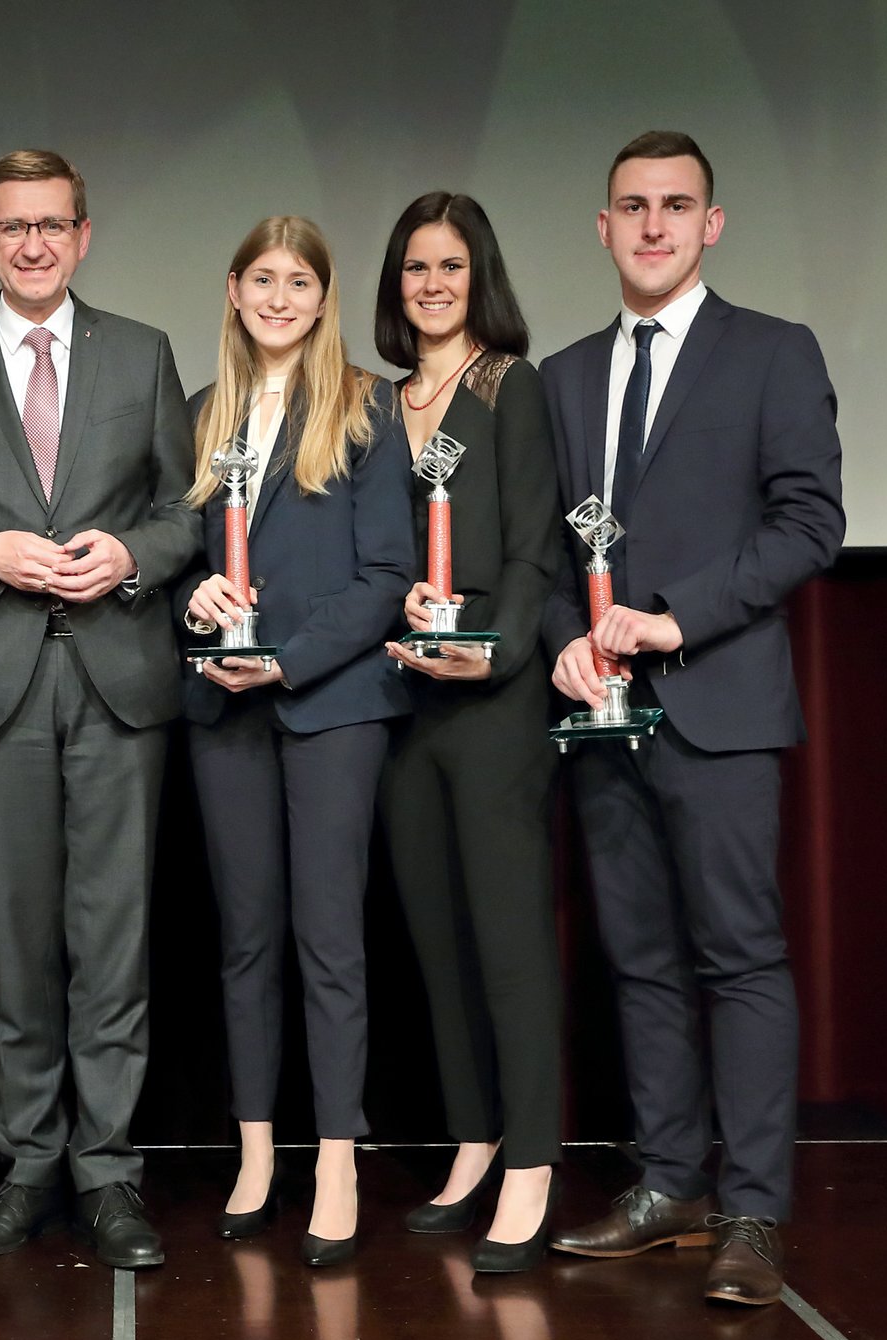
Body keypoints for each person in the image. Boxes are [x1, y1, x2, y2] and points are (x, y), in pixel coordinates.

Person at [539, 132, 844, 1306]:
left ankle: (751, 1211)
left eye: (675, 206)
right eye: (631, 206)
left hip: (716, 702)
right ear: (602, 227)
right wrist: (565, 633)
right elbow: (547, 551)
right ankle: (668, 1184)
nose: (653, 225)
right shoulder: (563, 377)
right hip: (598, 722)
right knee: (640, 962)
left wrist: (673, 621)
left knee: (739, 959)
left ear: (709, 223)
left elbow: (809, 521)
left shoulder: (771, 353)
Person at [0, 149, 199, 1270]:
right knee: (19, 946)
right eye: (10, 226)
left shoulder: (142, 352)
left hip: (119, 678)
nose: (31, 243)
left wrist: (128, 555)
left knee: (111, 943)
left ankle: (109, 1170)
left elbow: (182, 509)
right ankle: (28, 1163)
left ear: (82, 234)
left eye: (50, 225)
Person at [175, 216, 412, 1267]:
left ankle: (334, 1158)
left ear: (323, 297)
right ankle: (257, 1151)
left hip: (330, 704)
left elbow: (384, 577)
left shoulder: (364, 408)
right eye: (261, 279)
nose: (279, 297)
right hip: (223, 710)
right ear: (232, 289)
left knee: (328, 940)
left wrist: (288, 658)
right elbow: (175, 560)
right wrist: (194, 597)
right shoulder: (195, 414)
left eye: (299, 281)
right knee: (244, 940)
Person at [374, 191, 565, 1273]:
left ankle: (530, 1158)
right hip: (405, 699)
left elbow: (535, 541)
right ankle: (471, 1140)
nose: (431, 284)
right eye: (413, 269)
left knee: (503, 936)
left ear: (476, 273)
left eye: (448, 266)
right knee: (435, 939)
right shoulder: (380, 401)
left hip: (491, 696)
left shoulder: (507, 386)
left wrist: (492, 647)